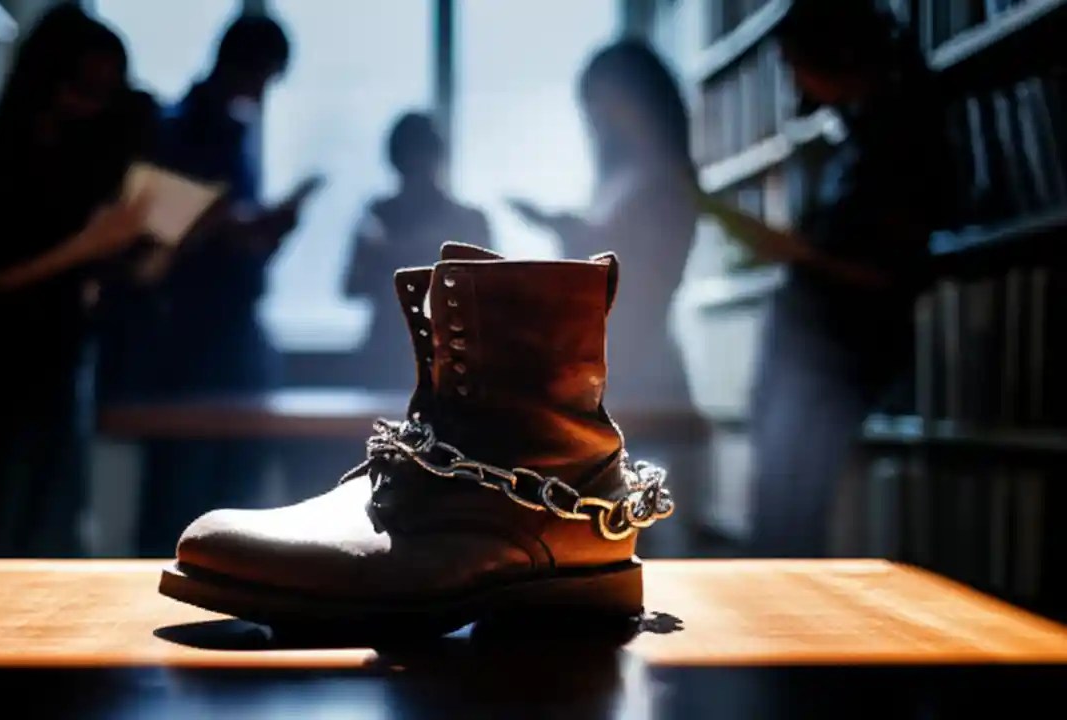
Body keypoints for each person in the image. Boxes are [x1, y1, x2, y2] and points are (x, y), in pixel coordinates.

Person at [705, 0, 955, 557]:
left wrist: (795, 252)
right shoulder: (862, 135)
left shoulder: (898, 140)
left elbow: (889, 267)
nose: (794, 80)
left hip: (834, 357)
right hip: (817, 353)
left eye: (796, 63)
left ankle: (786, 634)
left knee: (793, 510)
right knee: (784, 503)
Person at [0, 3, 151, 557]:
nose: (90, 105)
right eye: (83, 87)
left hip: (64, 372)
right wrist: (86, 247)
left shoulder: (80, 167)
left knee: (57, 538)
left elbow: (100, 281)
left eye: (105, 92)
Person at [125, 15, 323, 556]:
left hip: (233, 328)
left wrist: (265, 229)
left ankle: (232, 594)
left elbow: (229, 234)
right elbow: (157, 232)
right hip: (190, 335)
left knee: (236, 494)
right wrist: (227, 225)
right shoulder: (177, 128)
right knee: (183, 497)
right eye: (265, 76)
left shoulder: (231, 132)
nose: (265, 92)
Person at [509, 39, 698, 410]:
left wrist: (568, 230)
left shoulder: (667, 178)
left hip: (642, 368)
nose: (597, 114)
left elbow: (643, 278)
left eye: (605, 99)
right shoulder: (615, 178)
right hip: (604, 363)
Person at [345, 112, 491, 389]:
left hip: (443, 355)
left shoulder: (380, 220)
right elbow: (351, 284)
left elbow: (490, 292)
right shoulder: (377, 217)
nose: (415, 166)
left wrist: (390, 254)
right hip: (393, 356)